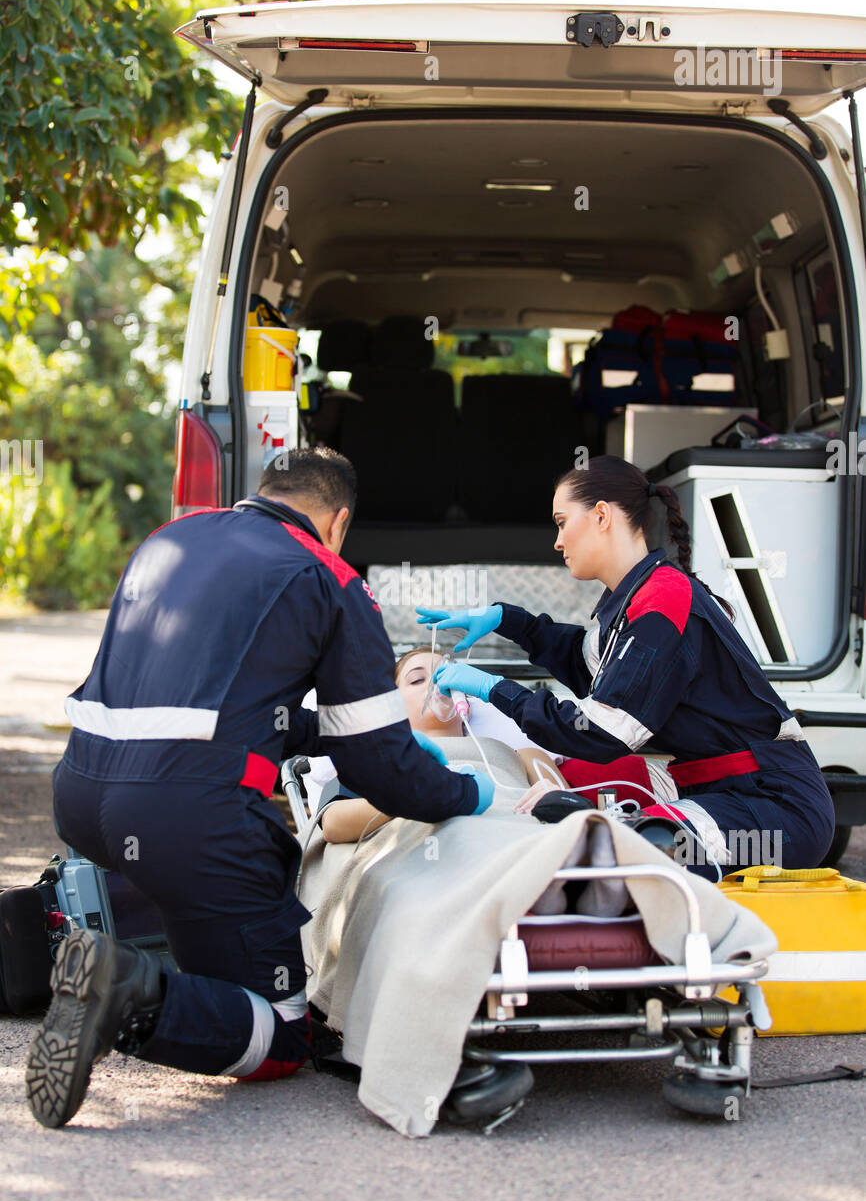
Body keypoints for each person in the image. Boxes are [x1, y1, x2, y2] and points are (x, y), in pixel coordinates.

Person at [27, 447, 493, 1129]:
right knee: (280, 1037)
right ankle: (130, 988)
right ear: (336, 522)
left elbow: (216, 704)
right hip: (189, 821)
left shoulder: (169, 541)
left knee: (222, 982)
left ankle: (128, 982)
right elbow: (378, 766)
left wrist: (312, 732)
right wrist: (461, 795)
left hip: (83, 798)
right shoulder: (330, 577)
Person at [421, 455, 835, 880]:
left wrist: (495, 689)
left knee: (626, 848)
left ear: (601, 515)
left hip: (775, 808)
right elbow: (588, 665)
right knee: (574, 780)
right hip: (710, 785)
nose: (557, 542)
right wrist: (508, 620)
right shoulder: (637, 600)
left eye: (562, 522)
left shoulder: (664, 601)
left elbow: (604, 732)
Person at [317, 645, 563, 844]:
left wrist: (554, 798)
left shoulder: (524, 757)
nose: (436, 684)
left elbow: (577, 811)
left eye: (446, 675)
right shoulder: (372, 758)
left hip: (519, 844)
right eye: (416, 680)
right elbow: (333, 825)